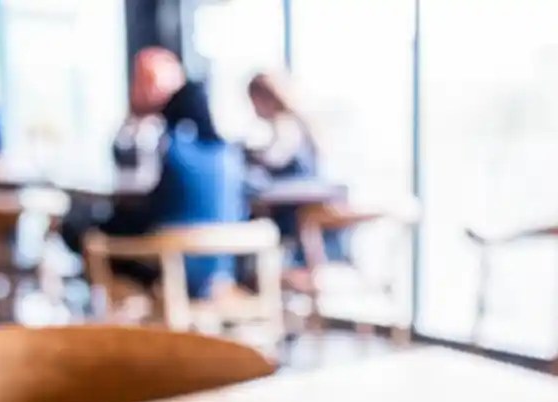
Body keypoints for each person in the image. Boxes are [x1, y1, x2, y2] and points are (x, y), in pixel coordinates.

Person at [60, 48, 241, 299]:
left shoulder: (170, 144)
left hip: (173, 261)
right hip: (222, 266)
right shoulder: (228, 153)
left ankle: (109, 321)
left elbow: (142, 188)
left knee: (83, 233)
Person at [244, 72, 345, 270]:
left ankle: (259, 278)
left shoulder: (286, 123)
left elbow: (275, 157)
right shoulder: (301, 120)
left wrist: (249, 156)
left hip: (296, 200)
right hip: (306, 195)